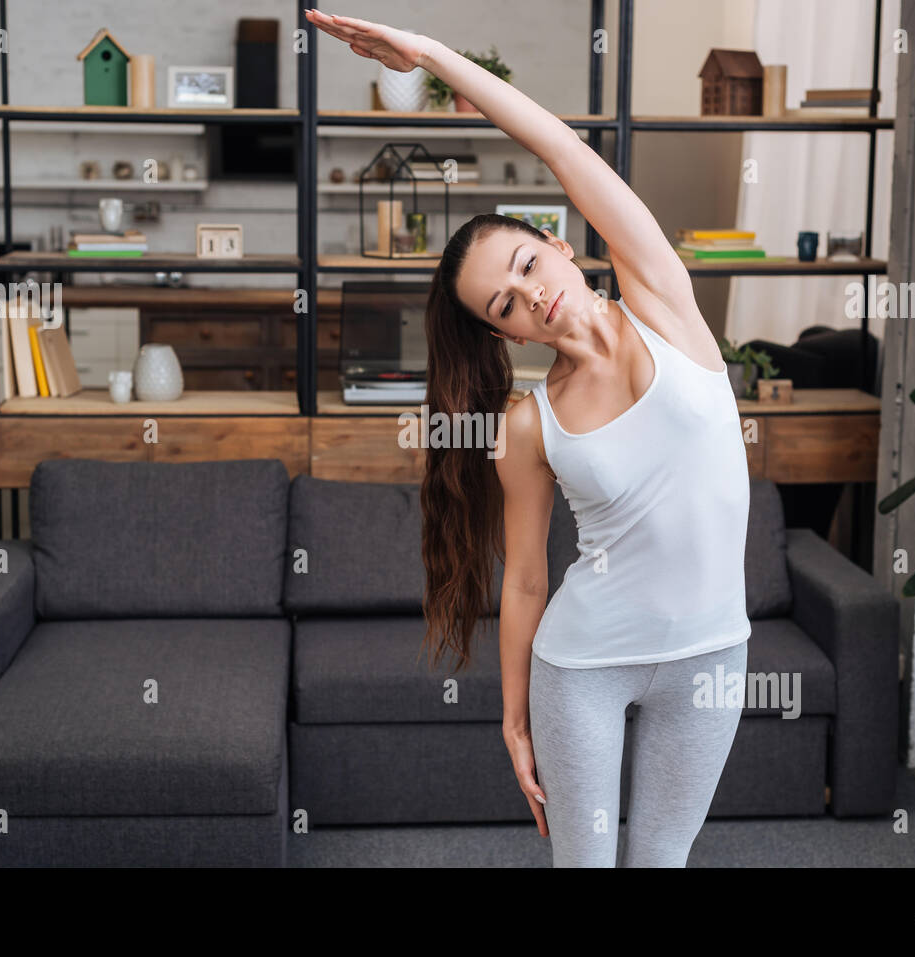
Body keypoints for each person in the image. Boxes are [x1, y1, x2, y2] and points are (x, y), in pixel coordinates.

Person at [306, 8, 751, 868]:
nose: (527, 294)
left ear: (558, 243)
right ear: (505, 335)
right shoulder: (526, 422)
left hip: (713, 655)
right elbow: (527, 580)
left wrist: (431, 56)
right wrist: (513, 713)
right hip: (582, 666)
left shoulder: (661, 297)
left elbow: (561, 148)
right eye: (502, 305)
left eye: (525, 266)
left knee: (660, 862)